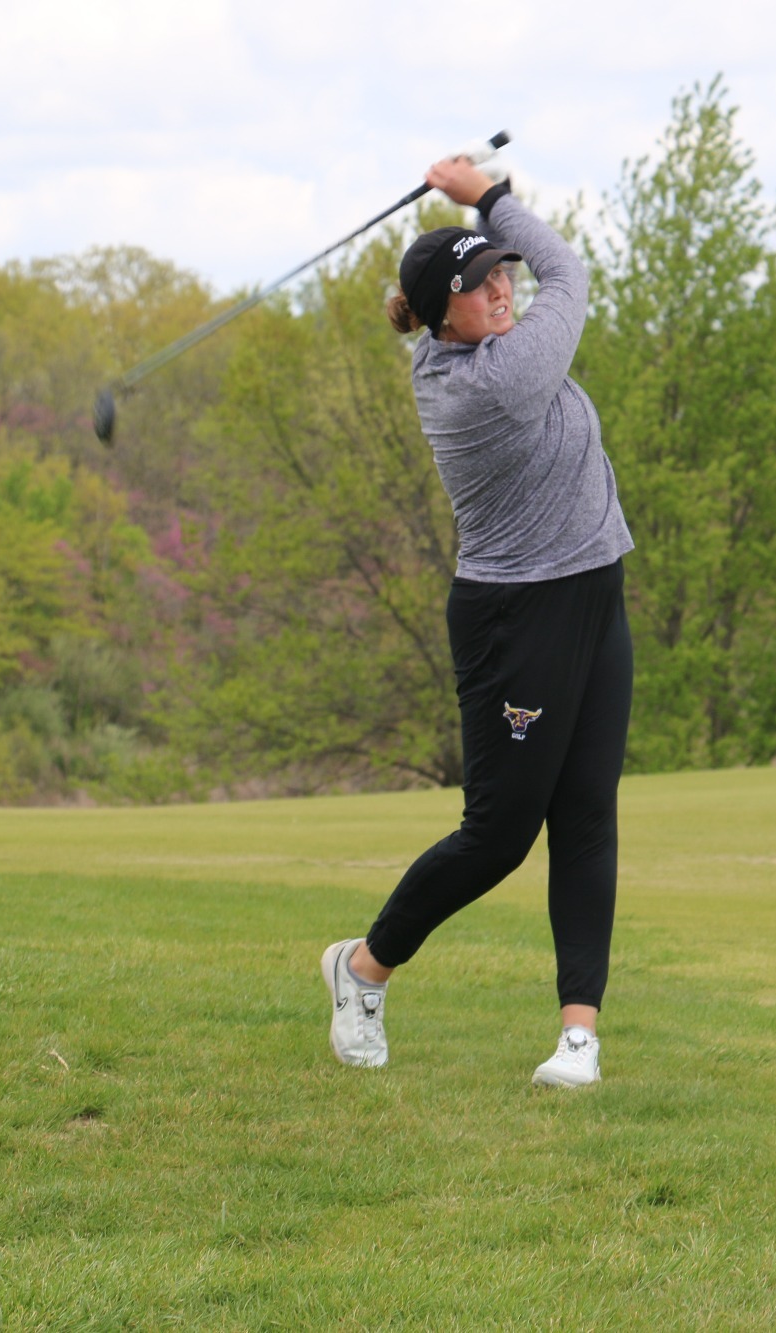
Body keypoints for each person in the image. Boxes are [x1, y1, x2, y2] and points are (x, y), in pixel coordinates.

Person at [320, 155, 635, 1088]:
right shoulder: (488, 384)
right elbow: (568, 274)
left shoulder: (472, 345)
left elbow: (536, 275)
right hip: (516, 616)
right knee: (500, 833)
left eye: (502, 271)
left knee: (585, 816)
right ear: (441, 315)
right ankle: (364, 968)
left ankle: (579, 1037)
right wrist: (488, 195)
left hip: (593, 590)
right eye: (479, 284)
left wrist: (474, 216)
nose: (503, 288)